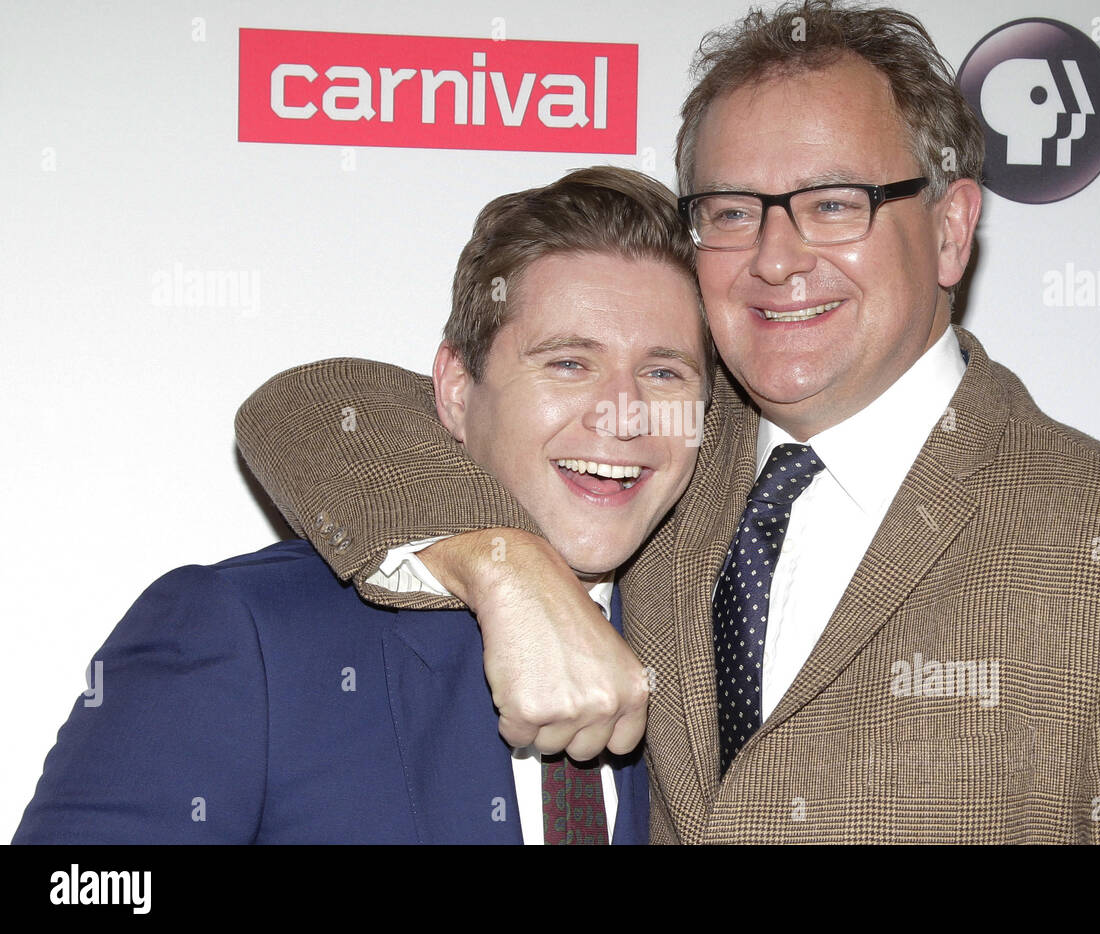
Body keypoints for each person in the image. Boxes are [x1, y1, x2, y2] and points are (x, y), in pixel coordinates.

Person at [234, 1, 1100, 843]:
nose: (777, 257)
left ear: (952, 228)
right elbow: (315, 411)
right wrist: (504, 564)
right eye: (732, 210)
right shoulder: (665, 446)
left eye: (835, 202)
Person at [13, 166, 714, 845]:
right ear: (457, 390)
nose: (624, 415)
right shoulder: (249, 636)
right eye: (568, 362)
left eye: (663, 372)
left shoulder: (708, 656)